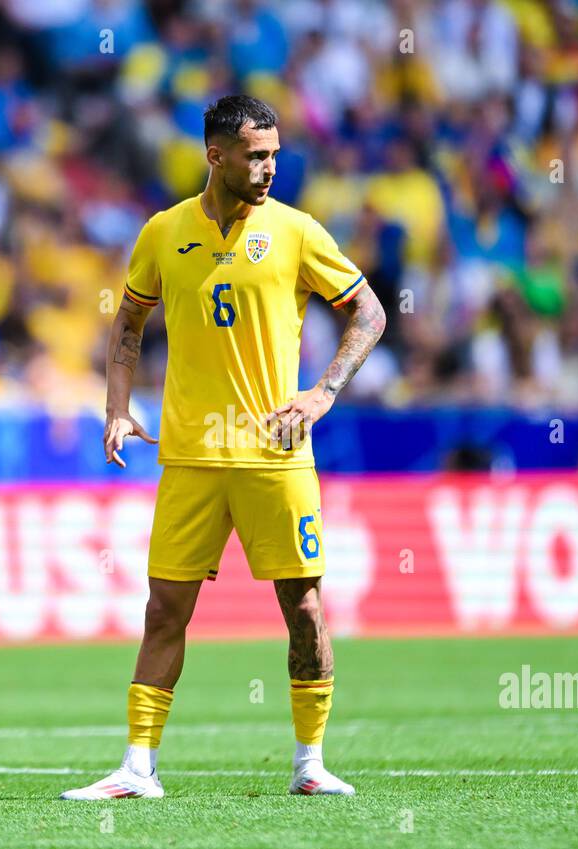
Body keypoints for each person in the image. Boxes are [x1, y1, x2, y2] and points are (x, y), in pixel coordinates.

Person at [61, 95, 386, 800]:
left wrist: (324, 391)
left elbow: (370, 308)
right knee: (163, 610)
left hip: (276, 455)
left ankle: (310, 762)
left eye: (274, 153)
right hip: (192, 457)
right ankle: (137, 768)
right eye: (256, 154)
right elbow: (127, 325)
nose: (270, 167)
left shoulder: (297, 232)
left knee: (303, 607)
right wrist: (116, 408)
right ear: (216, 156)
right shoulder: (163, 232)